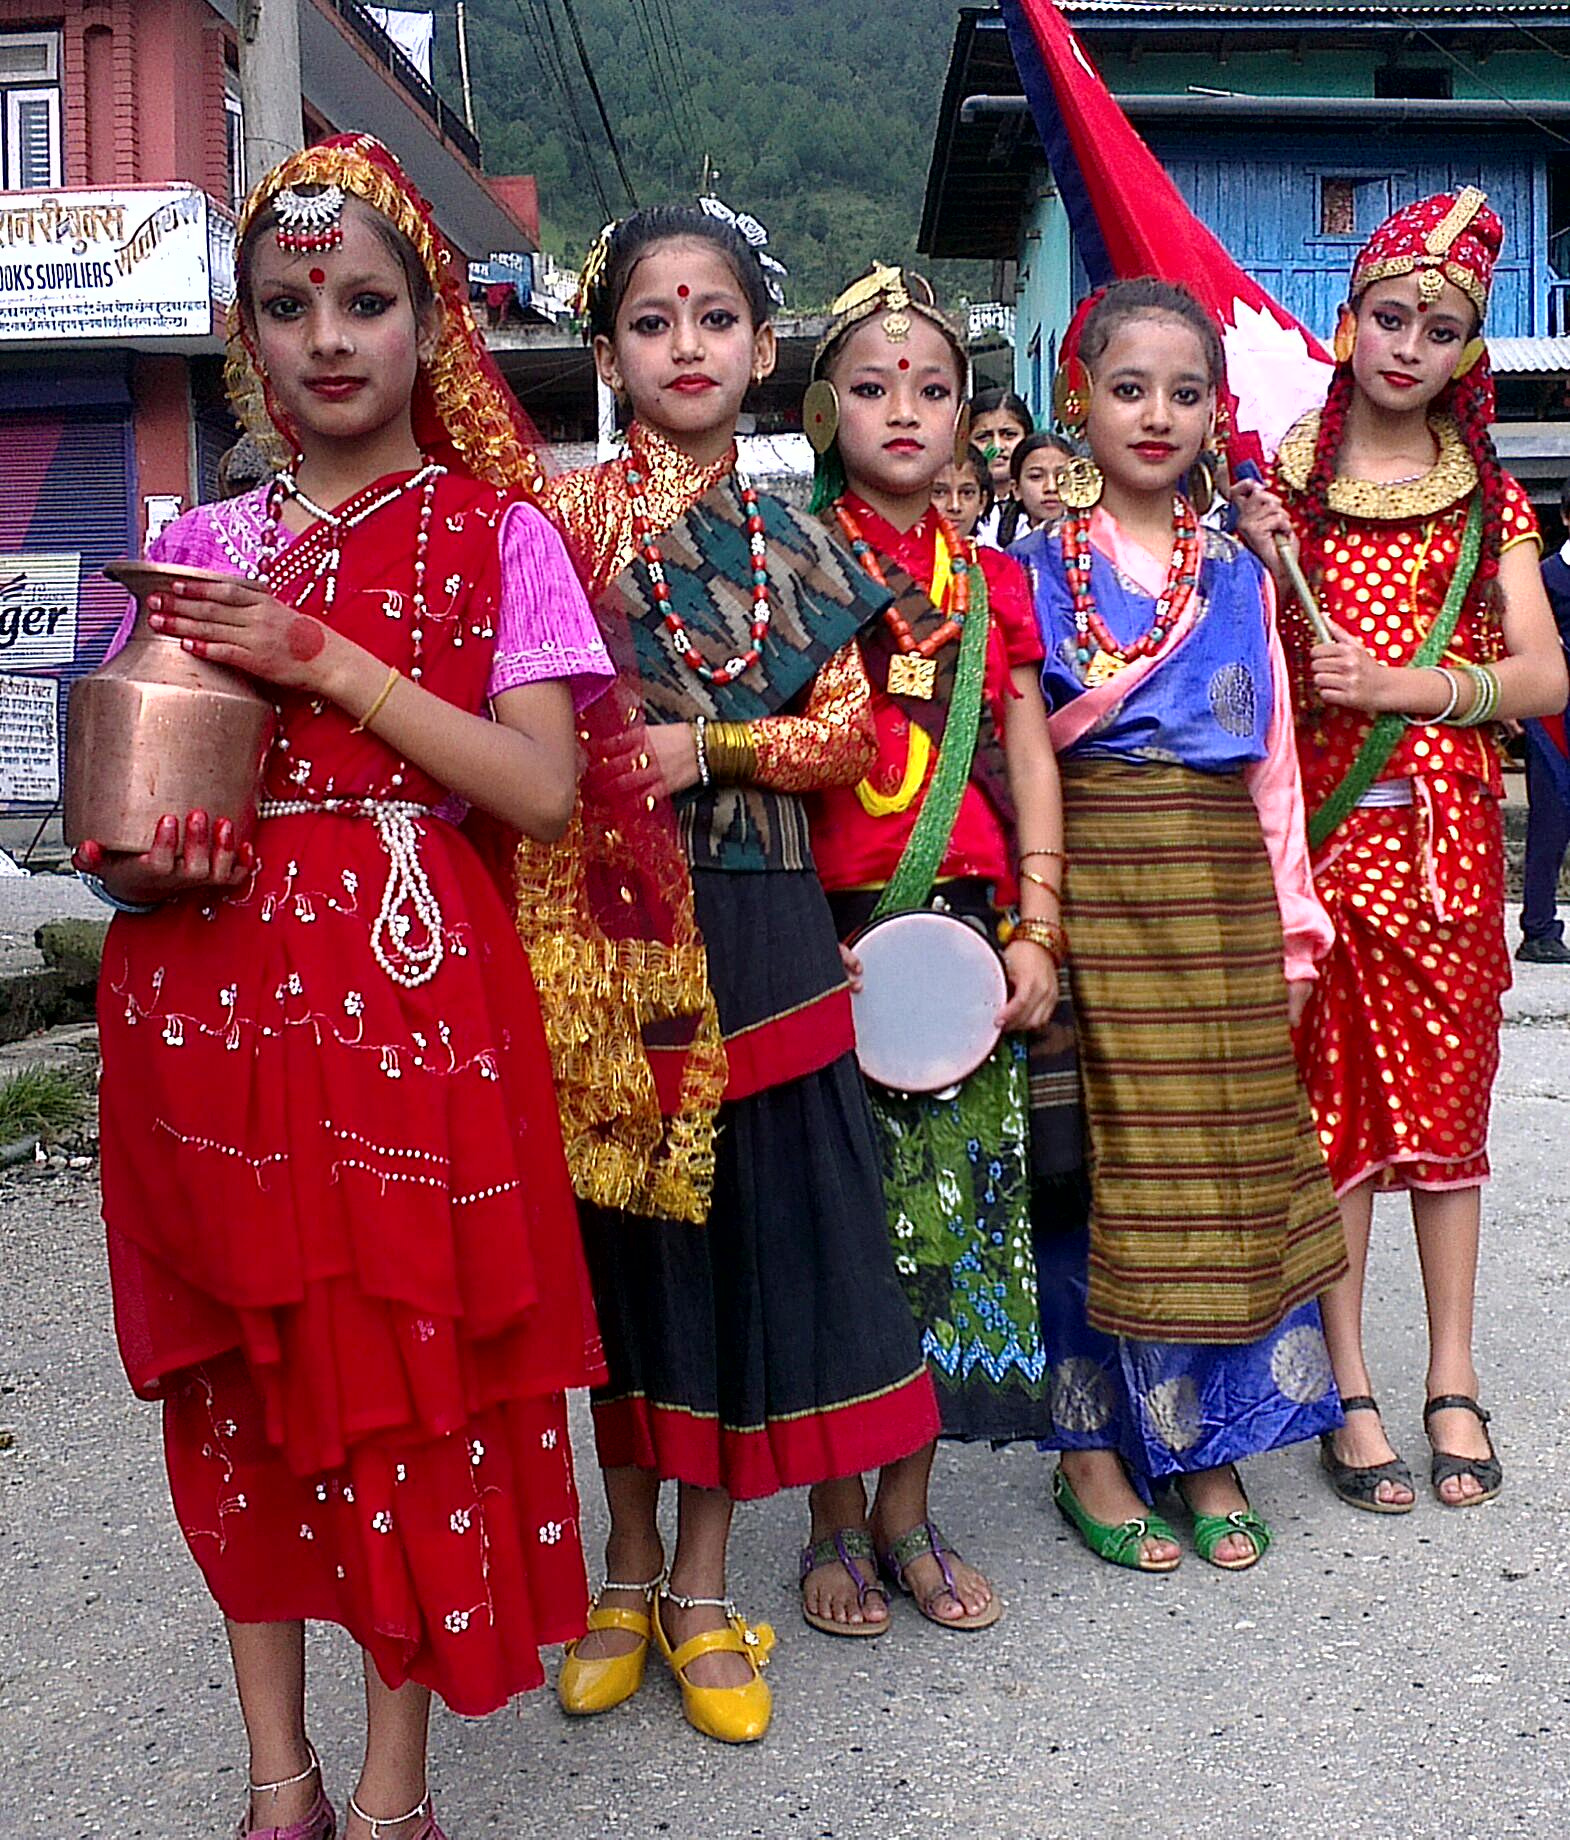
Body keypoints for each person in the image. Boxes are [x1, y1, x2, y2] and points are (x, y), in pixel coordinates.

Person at [75, 137, 611, 1840]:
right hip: (204, 1004)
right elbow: (119, 807)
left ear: (429, 325)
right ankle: (277, 1781)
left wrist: (319, 658)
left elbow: (542, 793)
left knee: (401, 1388)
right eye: (289, 306)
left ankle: (390, 1792)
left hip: (404, 990)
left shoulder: (501, 536)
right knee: (239, 1386)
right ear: (246, 337)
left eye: (366, 302)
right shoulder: (200, 540)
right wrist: (141, 858)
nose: (327, 337)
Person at [525, 209, 941, 1742]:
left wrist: (696, 746)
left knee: (738, 1240)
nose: (684, 345)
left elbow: (848, 739)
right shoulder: (549, 525)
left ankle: (700, 1585)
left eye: (714, 318)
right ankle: (622, 1568)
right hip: (595, 924)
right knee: (622, 1252)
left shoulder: (802, 543)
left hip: (756, 916)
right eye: (652, 321)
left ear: (764, 351)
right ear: (606, 352)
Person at [1234, 189, 1567, 1511]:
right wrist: (1247, 560)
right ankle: (1348, 1381)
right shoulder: (1281, 491)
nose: (1406, 346)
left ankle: (1449, 1371)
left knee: (1445, 1113)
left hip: (1442, 849)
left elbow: (1542, 675)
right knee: (1334, 1120)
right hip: (1312, 845)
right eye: (1388, 317)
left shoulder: (1490, 502)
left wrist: (1405, 689)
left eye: (1436, 330)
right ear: (1344, 321)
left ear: (1463, 352)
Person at [1013, 279, 1347, 1573]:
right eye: (1128, 388)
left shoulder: (1242, 576)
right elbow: (1011, 761)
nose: (1156, 414)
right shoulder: (1028, 572)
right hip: (1089, 888)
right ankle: (1091, 1449)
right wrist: (1031, 917)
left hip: (1216, 901)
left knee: (1215, 1174)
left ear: (1214, 414)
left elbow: (1274, 771)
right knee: (1090, 1172)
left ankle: (1207, 1443)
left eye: (1185, 392)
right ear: (1080, 399)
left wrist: (1295, 931)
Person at [801, 264, 1065, 1633]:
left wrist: (1039, 922)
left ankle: (907, 1517)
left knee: (953, 1240)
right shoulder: (787, 559)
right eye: (869, 386)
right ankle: (830, 1524)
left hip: (965, 931)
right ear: (822, 410)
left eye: (931, 388)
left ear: (968, 415)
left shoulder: (994, 579)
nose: (902, 409)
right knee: (838, 1236)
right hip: (822, 935)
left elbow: (1026, 749)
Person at [1517, 475, 1570, 963]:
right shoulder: (1543, 577)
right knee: (1551, 821)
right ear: (1566, 518)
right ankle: (1538, 929)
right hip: (1554, 716)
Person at [971, 387, 1034, 546]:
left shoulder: (1044, 501)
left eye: (1009, 435)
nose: (997, 447)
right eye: (983, 437)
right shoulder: (956, 505)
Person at [1009, 431, 1077, 534]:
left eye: (1062, 476)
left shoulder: (1095, 538)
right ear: (1016, 489)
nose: (1051, 487)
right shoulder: (1001, 540)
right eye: (1036, 476)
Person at [930, 440, 993, 540]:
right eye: (939, 492)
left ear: (982, 502)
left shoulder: (991, 551)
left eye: (967, 493)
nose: (955, 506)